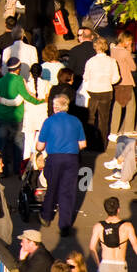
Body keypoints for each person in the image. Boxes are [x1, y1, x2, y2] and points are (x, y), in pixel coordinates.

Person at [37, 94, 87, 234]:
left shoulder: (49, 121)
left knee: (52, 188)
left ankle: (46, 216)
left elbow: (40, 146)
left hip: (54, 159)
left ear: (55, 106)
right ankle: (64, 226)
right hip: (72, 159)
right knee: (68, 192)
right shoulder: (76, 121)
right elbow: (83, 144)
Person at [0, 58, 42, 166]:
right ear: (18, 69)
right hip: (16, 118)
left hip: (1, 117)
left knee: (1, 145)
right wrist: (41, 101)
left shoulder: (0, 81)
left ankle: (2, 169)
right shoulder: (19, 80)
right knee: (18, 145)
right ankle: (17, 169)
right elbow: (27, 97)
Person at [90, 198, 136, 272]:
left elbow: (92, 248)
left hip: (105, 265)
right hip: (120, 266)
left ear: (106, 210)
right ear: (118, 209)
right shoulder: (127, 226)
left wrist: (98, 264)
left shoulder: (98, 226)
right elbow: (135, 245)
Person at [83, 37, 121, 149]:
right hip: (106, 90)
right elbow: (116, 78)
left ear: (95, 47)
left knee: (90, 118)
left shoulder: (90, 61)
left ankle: (89, 143)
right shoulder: (112, 61)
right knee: (104, 119)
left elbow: (86, 77)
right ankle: (102, 144)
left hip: (93, 91)